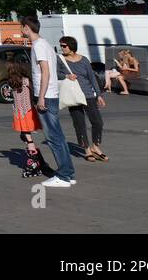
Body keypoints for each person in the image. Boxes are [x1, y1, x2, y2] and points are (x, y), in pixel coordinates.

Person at [22, 16, 76, 188]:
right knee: (58, 136)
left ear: (26, 28)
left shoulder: (38, 46)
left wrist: (41, 96)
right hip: (51, 93)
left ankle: (64, 175)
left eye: (21, 28)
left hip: (46, 95)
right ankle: (68, 173)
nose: (20, 31)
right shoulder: (44, 44)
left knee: (53, 137)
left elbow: (45, 72)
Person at [59, 37, 106, 163]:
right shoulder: (60, 60)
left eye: (64, 45)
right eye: (61, 45)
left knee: (98, 122)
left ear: (71, 46)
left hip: (88, 95)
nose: (62, 48)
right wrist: (66, 75)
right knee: (79, 124)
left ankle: (95, 146)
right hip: (73, 96)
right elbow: (55, 74)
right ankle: (87, 150)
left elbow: (92, 77)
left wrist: (99, 95)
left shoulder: (84, 59)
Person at [6, 60, 47, 178]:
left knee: (26, 135)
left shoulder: (12, 82)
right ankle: (34, 157)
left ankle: (33, 158)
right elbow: (34, 91)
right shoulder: (25, 81)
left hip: (20, 113)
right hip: (28, 111)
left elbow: (10, 93)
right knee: (26, 135)